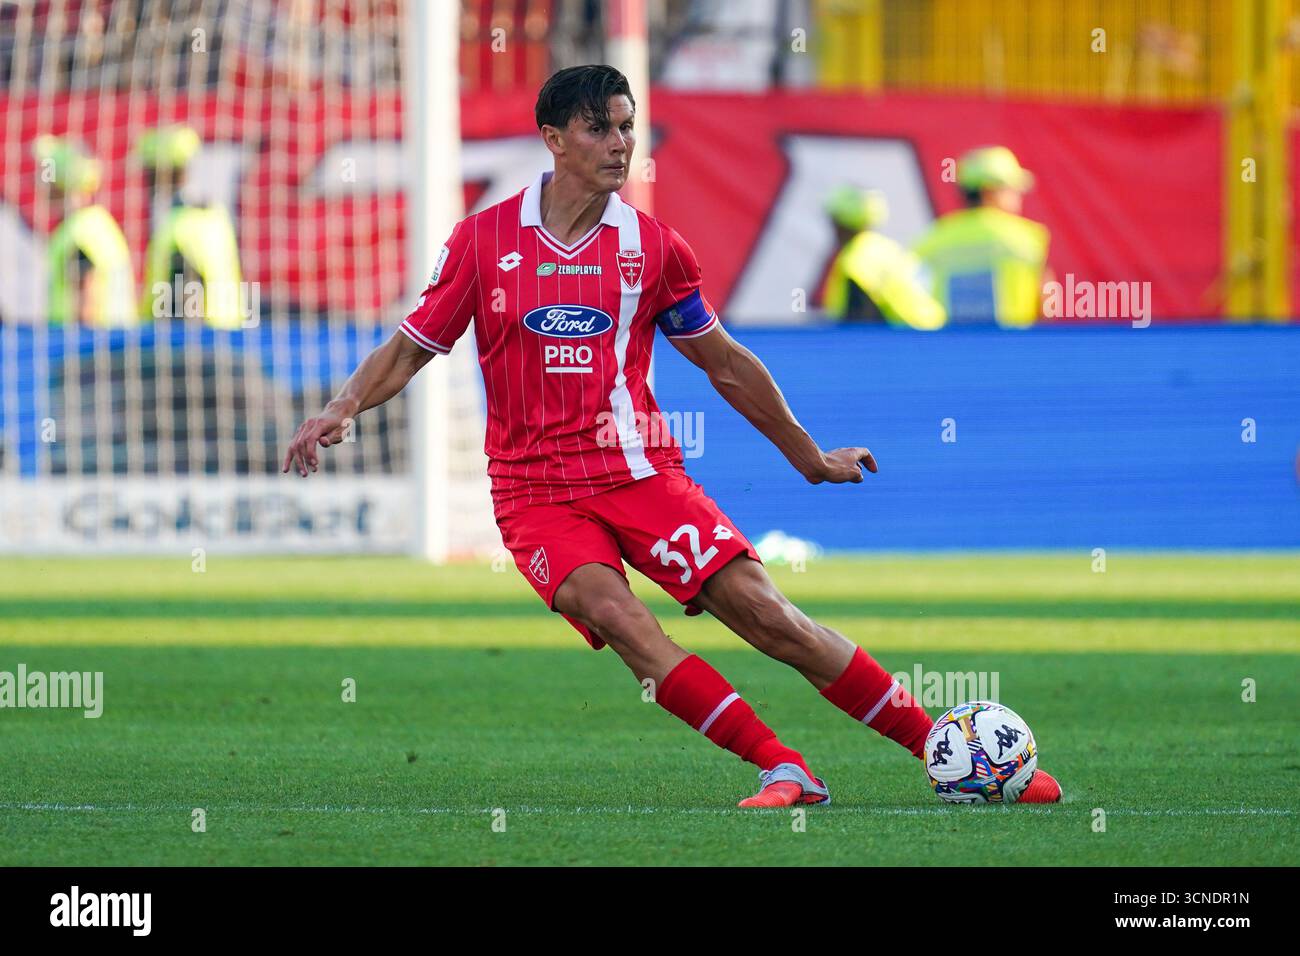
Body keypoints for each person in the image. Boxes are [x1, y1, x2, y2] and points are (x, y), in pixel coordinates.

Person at [284, 66, 1061, 807]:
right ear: (554, 137)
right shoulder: (485, 243)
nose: (621, 143)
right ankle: (782, 765)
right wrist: (345, 405)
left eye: (627, 127)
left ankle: (948, 753)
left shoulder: (652, 248)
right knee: (620, 619)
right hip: (533, 492)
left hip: (639, 475)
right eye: (600, 128)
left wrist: (809, 456)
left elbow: (723, 362)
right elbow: (415, 344)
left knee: (768, 617)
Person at [913, 146, 1050, 327]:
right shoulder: (1029, 237)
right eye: (1011, 189)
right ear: (990, 191)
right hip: (1013, 348)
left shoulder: (934, 237)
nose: (1018, 196)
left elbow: (914, 302)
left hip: (949, 348)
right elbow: (1046, 303)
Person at [137, 125, 245, 329]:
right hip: (227, 342)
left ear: (165, 170)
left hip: (190, 351)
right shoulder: (215, 217)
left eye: (150, 169)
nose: (146, 178)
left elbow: (188, 303)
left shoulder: (180, 228)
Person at [34, 135, 136, 327]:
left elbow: (87, 306)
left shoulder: (80, 235)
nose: (43, 185)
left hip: (88, 351)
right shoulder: (97, 225)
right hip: (111, 347)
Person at [821, 185, 945, 329]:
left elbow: (859, 321)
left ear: (840, 223)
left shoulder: (856, 258)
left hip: (902, 342)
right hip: (930, 338)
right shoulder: (887, 249)